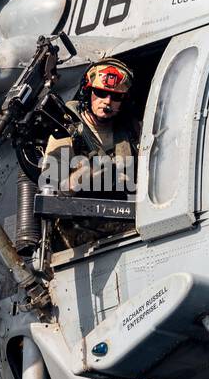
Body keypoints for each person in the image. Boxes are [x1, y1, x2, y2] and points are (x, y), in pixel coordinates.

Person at [41, 58, 140, 245]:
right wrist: (80, 178)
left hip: (128, 225)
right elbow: (50, 191)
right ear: (88, 91)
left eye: (116, 96)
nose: (107, 101)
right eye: (100, 93)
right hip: (82, 236)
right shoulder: (66, 132)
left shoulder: (132, 130)